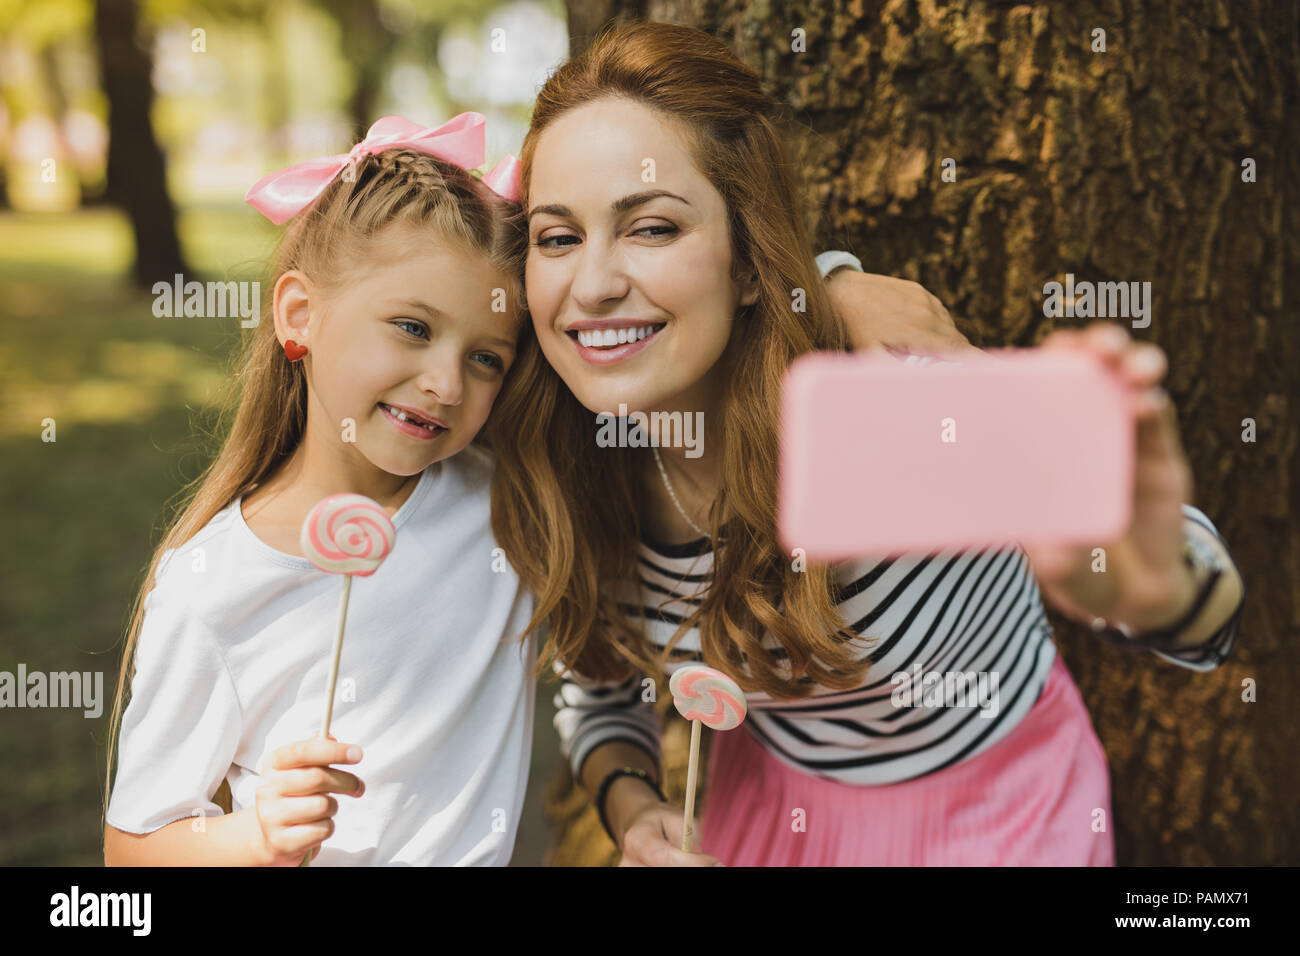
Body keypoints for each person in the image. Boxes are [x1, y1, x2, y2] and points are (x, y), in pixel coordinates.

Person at [487, 21, 1247, 866]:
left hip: (1001, 819)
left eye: (654, 228)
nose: (592, 285)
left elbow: (1200, 614)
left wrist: (1155, 592)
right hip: (764, 817)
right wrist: (634, 807)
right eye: (558, 238)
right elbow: (599, 696)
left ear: (748, 263)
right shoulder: (559, 458)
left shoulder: (889, 408)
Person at [103, 115, 540, 865]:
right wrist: (255, 834)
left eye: (487, 359)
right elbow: (133, 846)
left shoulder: (503, 508)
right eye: (411, 327)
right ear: (300, 316)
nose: (444, 382)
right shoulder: (212, 590)